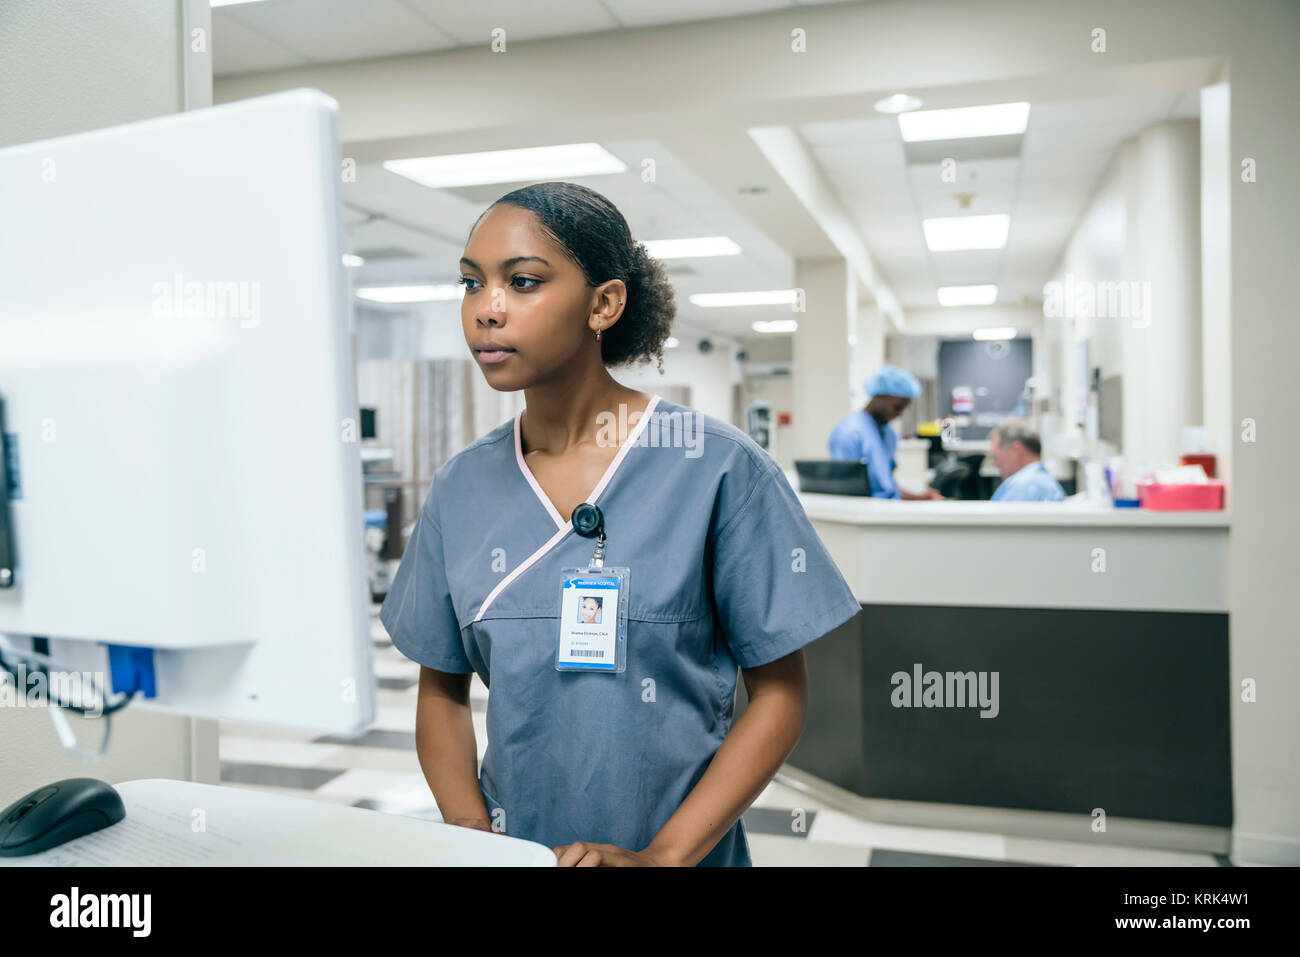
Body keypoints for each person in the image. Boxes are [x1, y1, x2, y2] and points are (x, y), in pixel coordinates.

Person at [380, 181, 861, 867]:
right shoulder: (463, 487)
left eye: (521, 282)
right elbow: (442, 687)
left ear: (603, 304)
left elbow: (780, 692)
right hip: (519, 851)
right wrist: (470, 834)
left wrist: (663, 857)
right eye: (470, 284)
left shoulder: (716, 468)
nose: (487, 310)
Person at [827, 365, 943, 499]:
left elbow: (887, 490)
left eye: (903, 409)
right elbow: (847, 491)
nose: (899, 414)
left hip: (885, 511)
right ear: (879, 396)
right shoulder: (849, 432)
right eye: (896, 407)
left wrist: (920, 498)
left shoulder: (889, 434)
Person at [989, 420, 1066, 502]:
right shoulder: (1047, 483)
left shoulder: (1023, 486)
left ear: (1016, 450)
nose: (995, 465)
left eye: (996, 457)